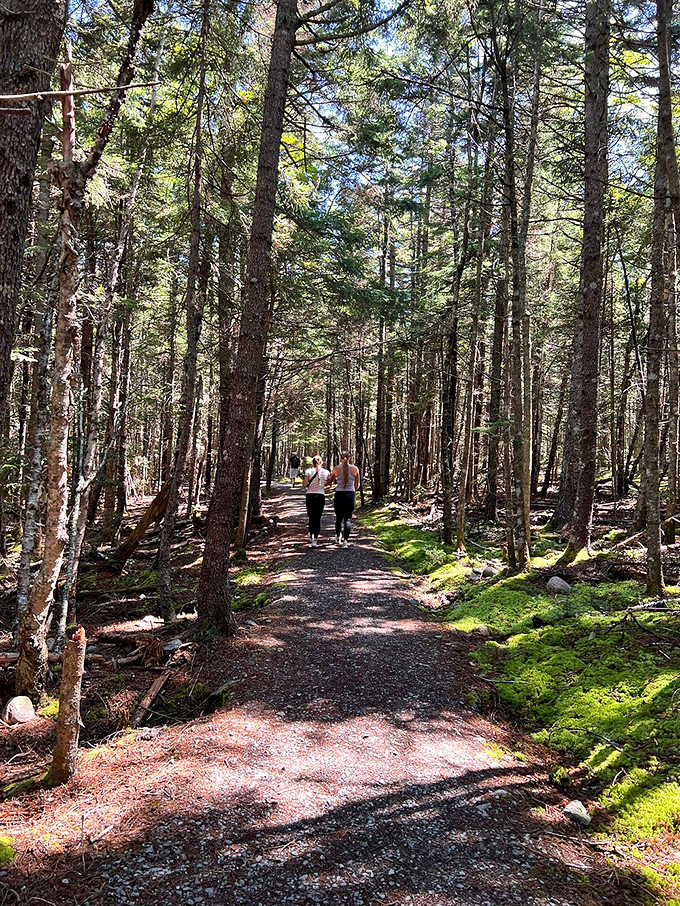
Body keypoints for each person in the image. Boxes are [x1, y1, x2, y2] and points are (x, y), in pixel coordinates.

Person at [326, 450, 360, 548]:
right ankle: (345, 542)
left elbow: (330, 482)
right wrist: (352, 490)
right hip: (350, 494)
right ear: (350, 458)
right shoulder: (355, 469)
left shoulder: (336, 469)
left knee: (338, 518)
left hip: (339, 494)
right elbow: (357, 485)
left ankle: (337, 537)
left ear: (341, 458)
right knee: (348, 519)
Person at [302, 455, 330, 548]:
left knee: (311, 517)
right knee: (318, 518)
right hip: (321, 496)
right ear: (321, 462)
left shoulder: (308, 471)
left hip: (310, 496)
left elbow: (304, 484)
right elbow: (329, 483)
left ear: (312, 463)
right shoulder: (326, 472)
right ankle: (315, 540)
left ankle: (311, 534)